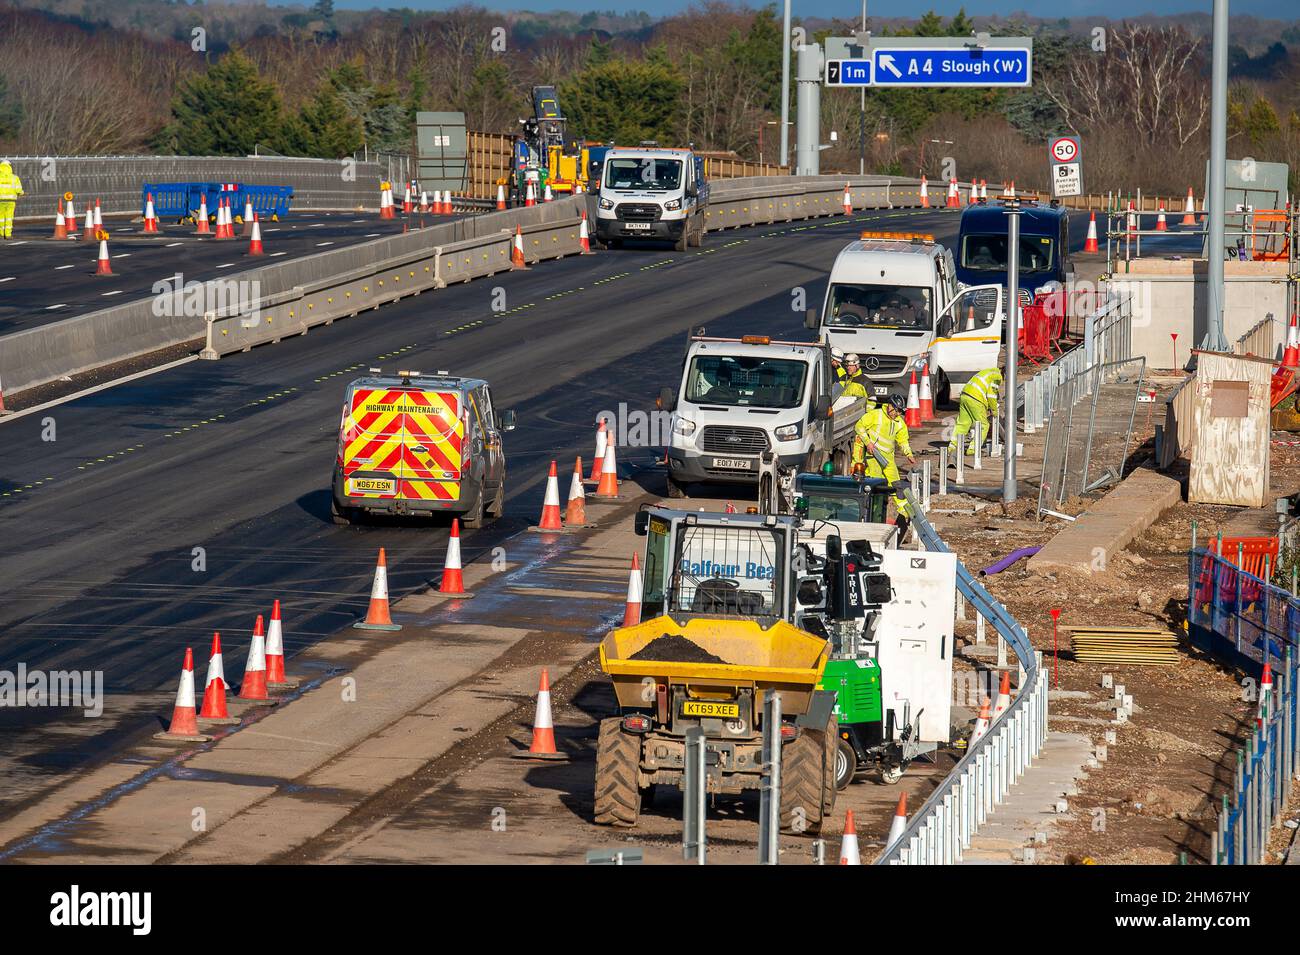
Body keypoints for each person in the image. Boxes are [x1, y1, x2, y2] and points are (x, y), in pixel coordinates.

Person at [851, 394, 916, 536]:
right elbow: (859, 426)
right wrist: (867, 442)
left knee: (896, 485)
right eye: (897, 411)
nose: (898, 414)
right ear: (890, 407)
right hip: (873, 457)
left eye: (901, 412)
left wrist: (908, 454)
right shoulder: (876, 415)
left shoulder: (899, 422)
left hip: (888, 460)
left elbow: (903, 440)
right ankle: (874, 513)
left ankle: (904, 512)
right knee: (876, 484)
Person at [949, 366, 1002, 457]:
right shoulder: (997, 376)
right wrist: (994, 410)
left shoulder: (989, 371)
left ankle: (952, 446)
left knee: (963, 423)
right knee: (983, 425)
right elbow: (991, 395)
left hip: (965, 395)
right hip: (976, 399)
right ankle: (973, 449)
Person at [0, 160, 23, 240]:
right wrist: (21, 193)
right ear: (10, 167)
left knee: (1, 218)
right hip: (10, 201)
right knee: (9, 217)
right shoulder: (15, 178)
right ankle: (8, 234)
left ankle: (1, 233)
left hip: (0, 201)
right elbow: (18, 190)